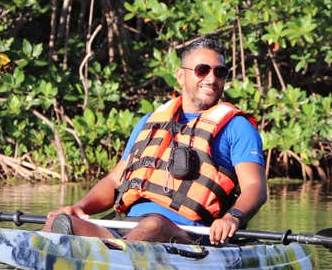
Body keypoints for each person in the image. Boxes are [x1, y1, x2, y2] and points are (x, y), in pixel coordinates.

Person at [42, 37, 266, 245]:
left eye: (220, 72)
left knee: (154, 225)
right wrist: (79, 207)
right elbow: (114, 180)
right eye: (202, 70)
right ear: (180, 76)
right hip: (128, 227)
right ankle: (95, 253)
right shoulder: (150, 122)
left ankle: (113, 256)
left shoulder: (237, 127)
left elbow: (254, 186)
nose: (212, 78)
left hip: (188, 233)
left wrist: (232, 218)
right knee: (59, 221)